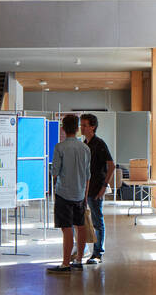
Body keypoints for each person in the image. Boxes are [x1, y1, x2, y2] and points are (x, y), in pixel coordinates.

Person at [47, 113, 90, 273]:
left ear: (63, 129)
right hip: (80, 193)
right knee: (81, 225)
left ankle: (66, 263)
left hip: (64, 193)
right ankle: (78, 260)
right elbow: (87, 175)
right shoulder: (85, 148)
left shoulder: (60, 147)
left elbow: (55, 172)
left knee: (67, 228)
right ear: (78, 129)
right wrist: (85, 195)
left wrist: (51, 168)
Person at [79, 113, 115, 265]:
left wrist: (104, 187)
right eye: (81, 125)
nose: (82, 127)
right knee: (84, 220)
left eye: (85, 125)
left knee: (97, 221)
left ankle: (98, 253)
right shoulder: (84, 143)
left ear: (92, 127)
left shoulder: (99, 144)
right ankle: (84, 249)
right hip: (84, 189)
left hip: (95, 189)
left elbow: (111, 165)